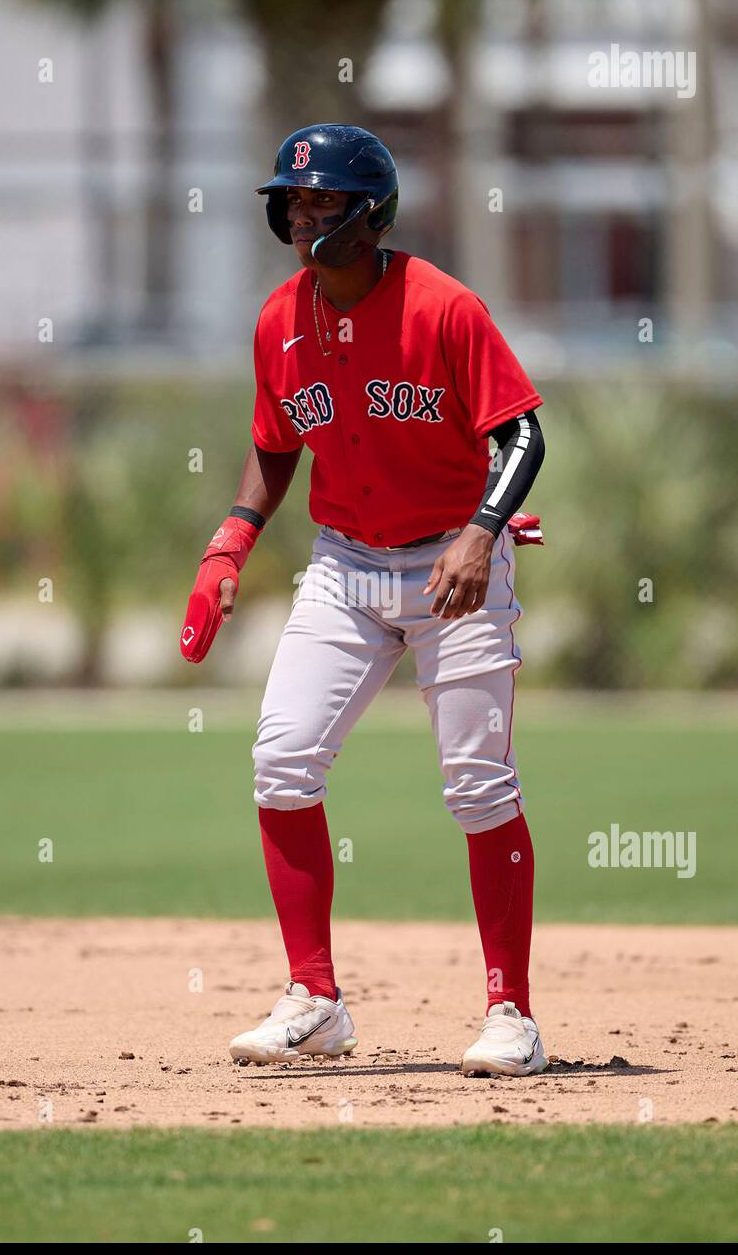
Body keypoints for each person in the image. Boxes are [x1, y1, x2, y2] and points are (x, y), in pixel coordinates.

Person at [180, 123, 548, 1077]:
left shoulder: (444, 308)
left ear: (371, 211)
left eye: (324, 201)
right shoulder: (278, 320)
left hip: (453, 567)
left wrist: (482, 533)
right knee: (281, 761)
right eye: (294, 201)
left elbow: (523, 437)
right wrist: (229, 546)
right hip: (345, 566)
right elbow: (276, 444)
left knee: (477, 785)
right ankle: (317, 999)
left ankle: (511, 1015)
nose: (305, 216)